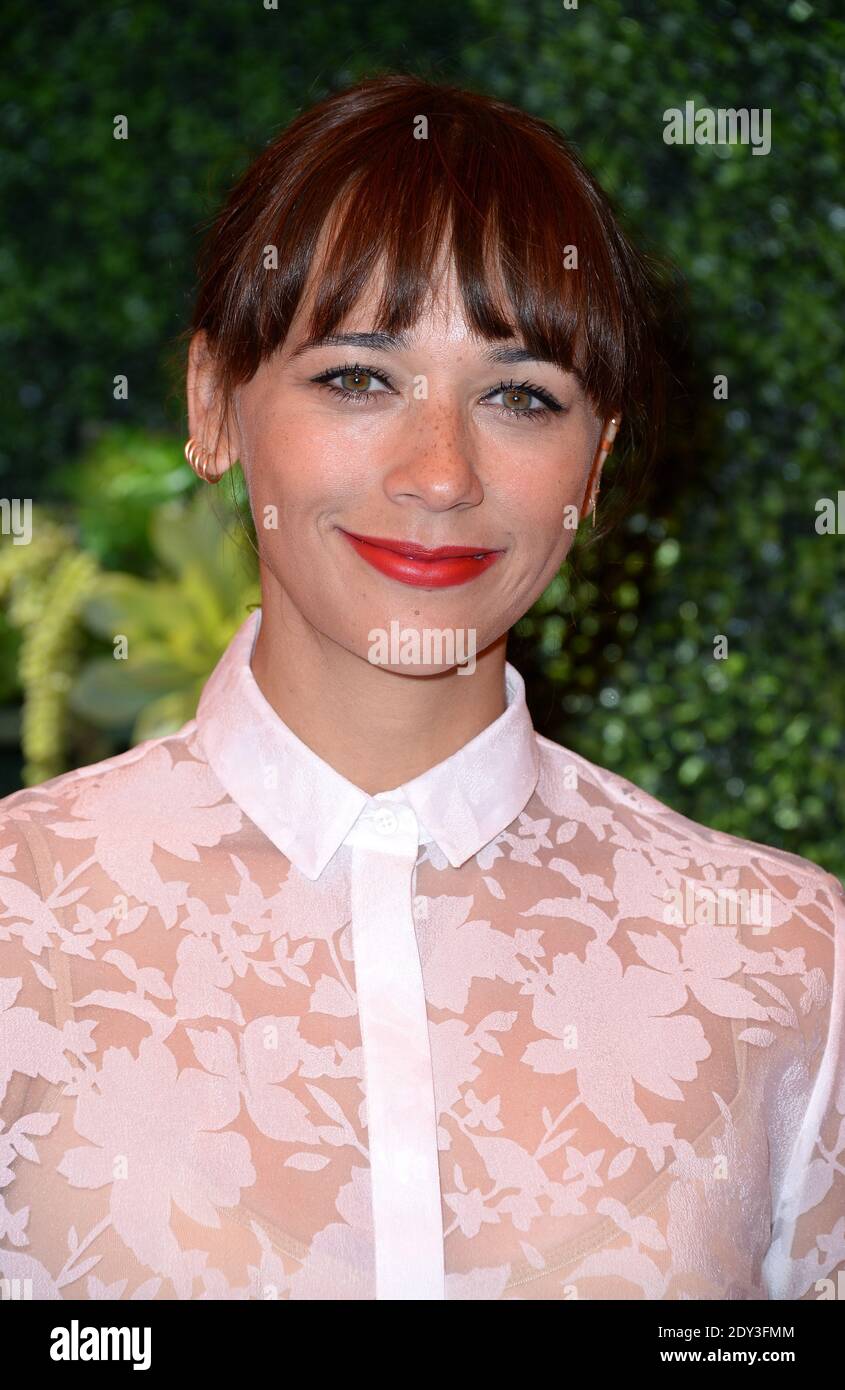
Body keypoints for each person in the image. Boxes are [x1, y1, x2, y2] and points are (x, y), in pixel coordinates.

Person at [1, 74, 843, 1302]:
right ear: (211, 405)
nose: (440, 473)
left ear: (592, 467)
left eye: (518, 396)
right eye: (357, 377)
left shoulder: (789, 964)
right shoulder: (19, 921)